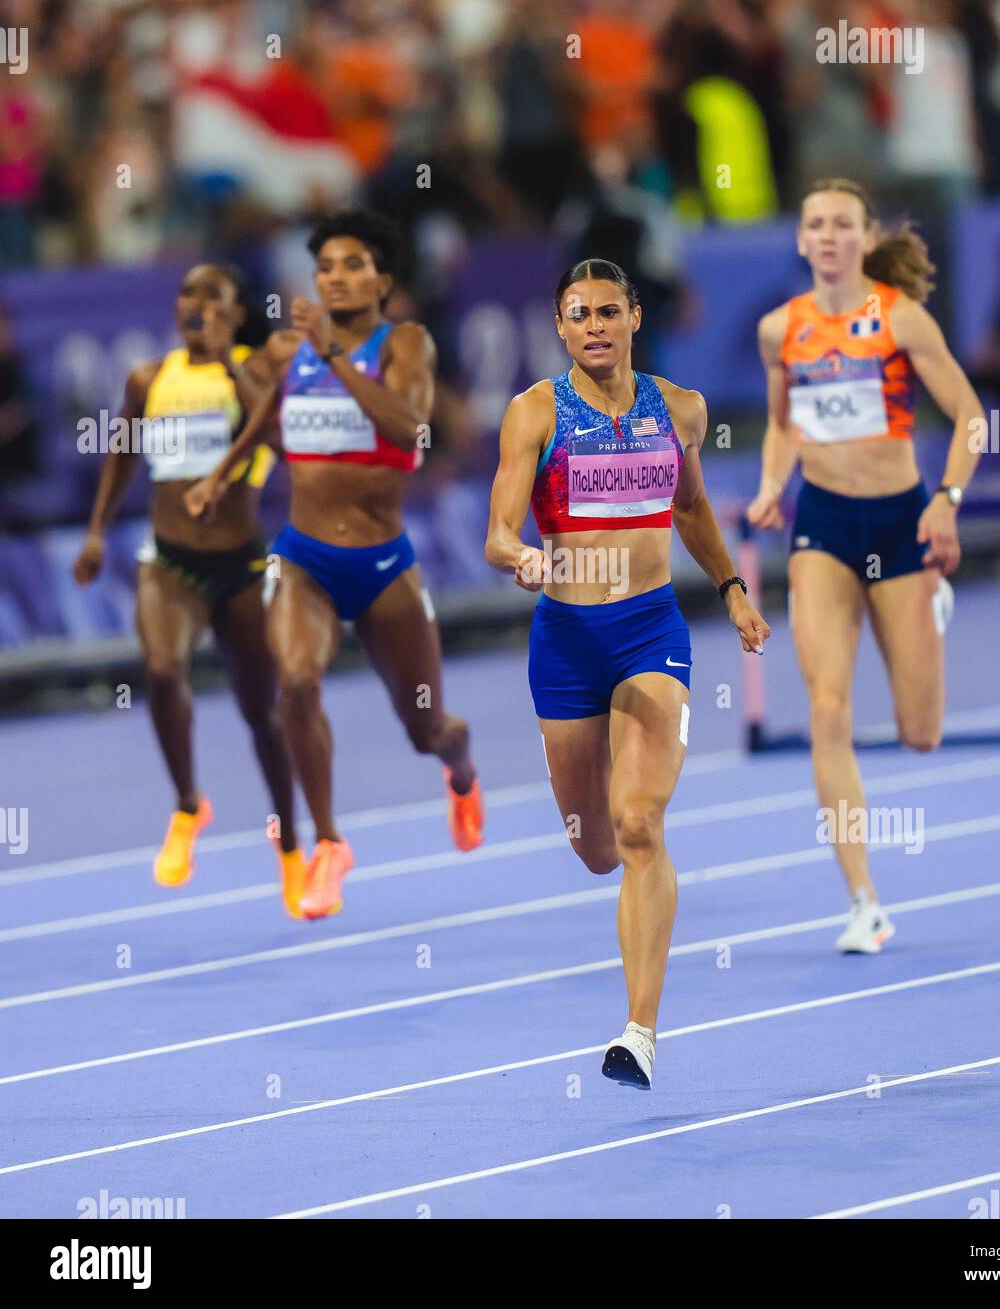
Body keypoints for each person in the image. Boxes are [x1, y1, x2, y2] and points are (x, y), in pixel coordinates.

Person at [485, 258, 770, 1089]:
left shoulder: (678, 409)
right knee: (597, 848)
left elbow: (688, 508)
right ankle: (605, 852)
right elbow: (499, 531)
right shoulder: (533, 413)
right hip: (566, 640)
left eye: (608, 311)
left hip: (650, 631)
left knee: (640, 825)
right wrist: (522, 557)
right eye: (578, 315)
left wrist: (731, 589)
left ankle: (638, 1033)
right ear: (561, 326)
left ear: (634, 318)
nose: (594, 327)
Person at [187, 209, 483, 921]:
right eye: (325, 268)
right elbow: (264, 415)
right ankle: (328, 843)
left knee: (426, 728)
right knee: (295, 678)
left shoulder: (404, 344)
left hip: (383, 565)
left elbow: (409, 426)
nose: (336, 278)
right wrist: (220, 473)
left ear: (382, 279)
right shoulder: (295, 352)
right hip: (303, 556)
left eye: (352, 266)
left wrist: (336, 357)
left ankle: (461, 768)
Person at [747, 178, 985, 953]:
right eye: (813, 223)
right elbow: (782, 422)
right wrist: (770, 485)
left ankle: (931, 610)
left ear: (861, 235)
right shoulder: (779, 329)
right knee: (826, 707)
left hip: (899, 518)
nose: (826, 236)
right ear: (800, 239)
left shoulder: (900, 318)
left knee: (918, 732)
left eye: (840, 224)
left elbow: (971, 419)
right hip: (821, 527)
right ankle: (862, 900)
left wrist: (945, 499)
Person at [73, 264, 302, 914]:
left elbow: (273, 429)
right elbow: (121, 453)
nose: (196, 306)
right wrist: (95, 534)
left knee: (262, 711)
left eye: (213, 298)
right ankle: (186, 806)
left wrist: (227, 358)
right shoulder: (149, 377)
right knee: (162, 668)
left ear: (235, 312)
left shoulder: (253, 371)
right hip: (169, 562)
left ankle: (289, 845)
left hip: (241, 567)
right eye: (187, 295)